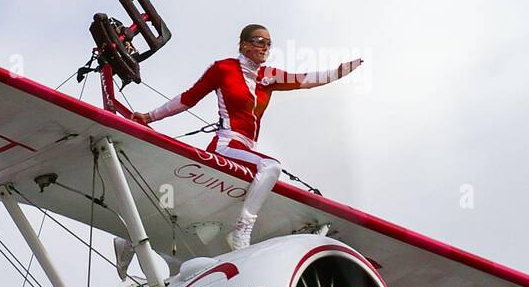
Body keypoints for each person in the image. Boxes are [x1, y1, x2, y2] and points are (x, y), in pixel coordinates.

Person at [134, 25, 362, 250]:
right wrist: (149, 116)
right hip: (225, 145)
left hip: (245, 149)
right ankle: (242, 230)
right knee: (271, 167)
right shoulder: (223, 68)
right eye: (259, 41)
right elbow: (187, 99)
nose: (265, 47)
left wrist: (338, 73)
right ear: (244, 45)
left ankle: (133, 238)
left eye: (269, 43)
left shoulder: (268, 76)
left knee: (266, 179)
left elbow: (304, 80)